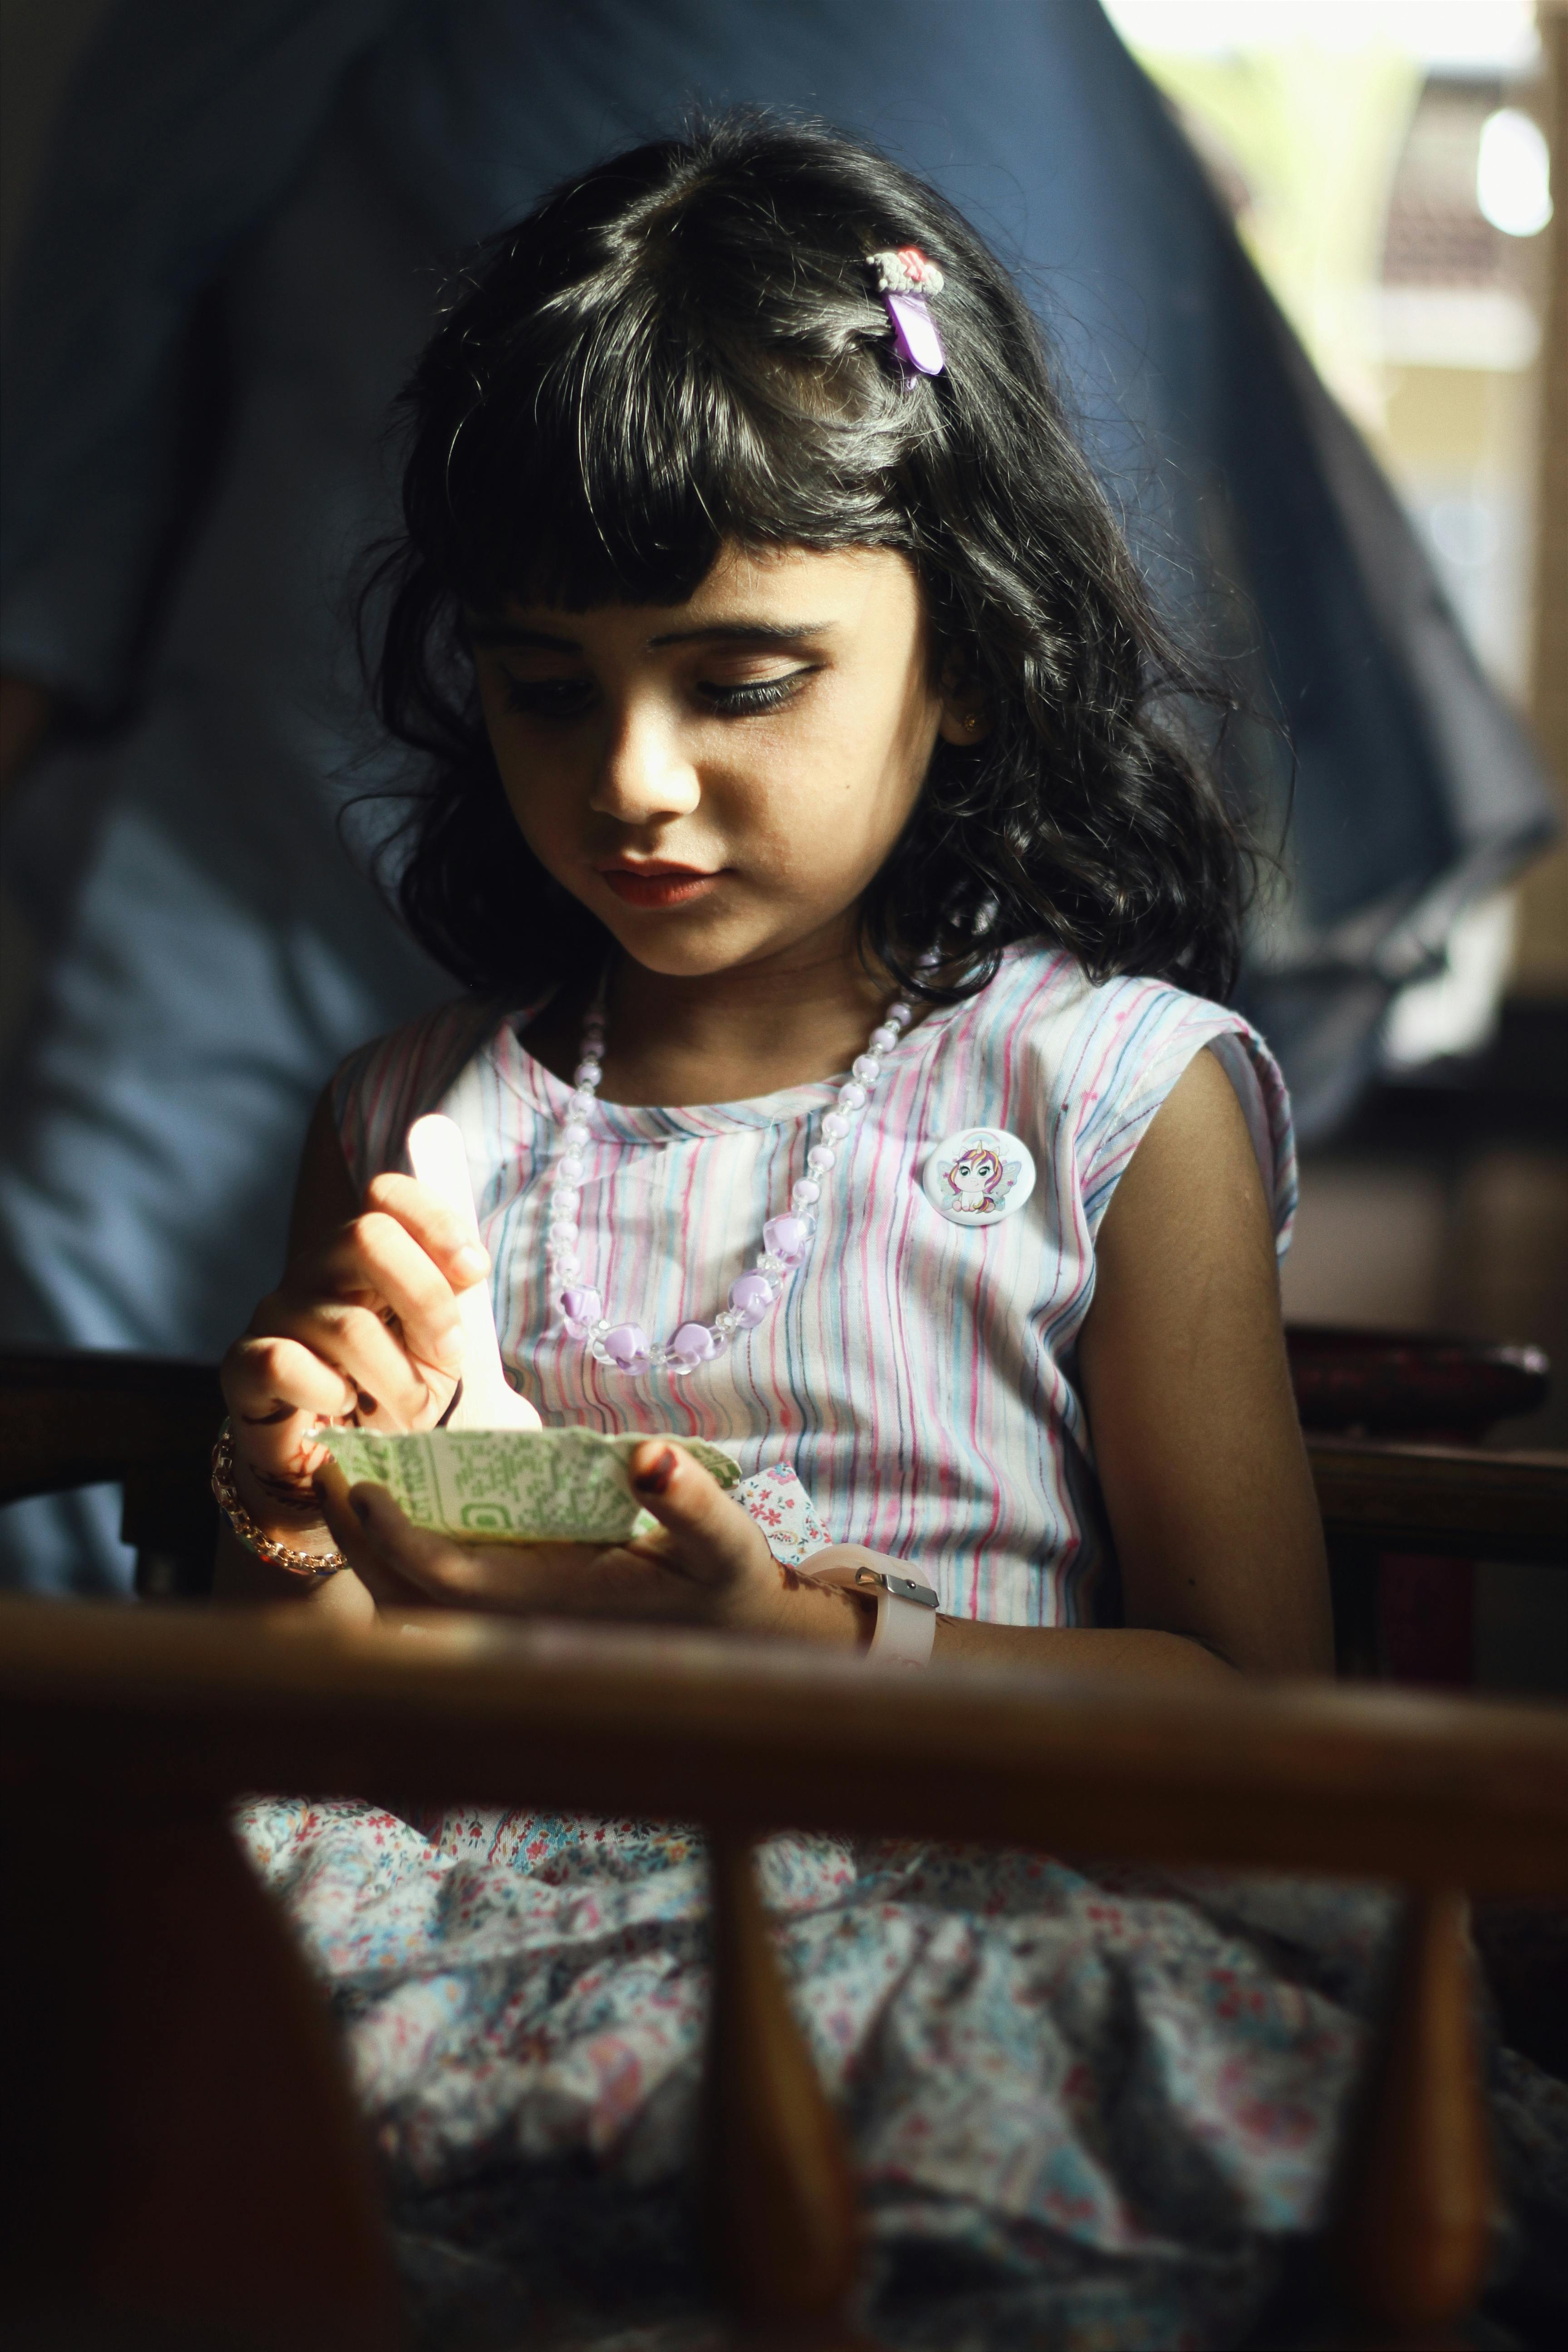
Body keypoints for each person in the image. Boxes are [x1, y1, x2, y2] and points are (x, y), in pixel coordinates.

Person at [212, 123, 1562, 2346]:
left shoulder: (1112, 1100)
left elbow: (1253, 1719)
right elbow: (339, 1729)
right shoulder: (413, 1119)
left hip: (970, 1909)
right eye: (547, 685)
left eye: (741, 681)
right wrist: (296, 1528)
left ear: (973, 658)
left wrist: (803, 1641)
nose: (633, 780)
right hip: (475, 1941)